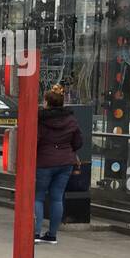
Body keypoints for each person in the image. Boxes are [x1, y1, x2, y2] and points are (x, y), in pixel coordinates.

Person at [34, 85, 82, 244]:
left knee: (38, 197)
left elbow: (35, 141)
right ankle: (52, 235)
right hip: (65, 163)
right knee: (56, 198)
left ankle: (35, 233)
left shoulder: (40, 120)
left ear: (47, 102)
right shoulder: (71, 119)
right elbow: (78, 142)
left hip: (44, 162)